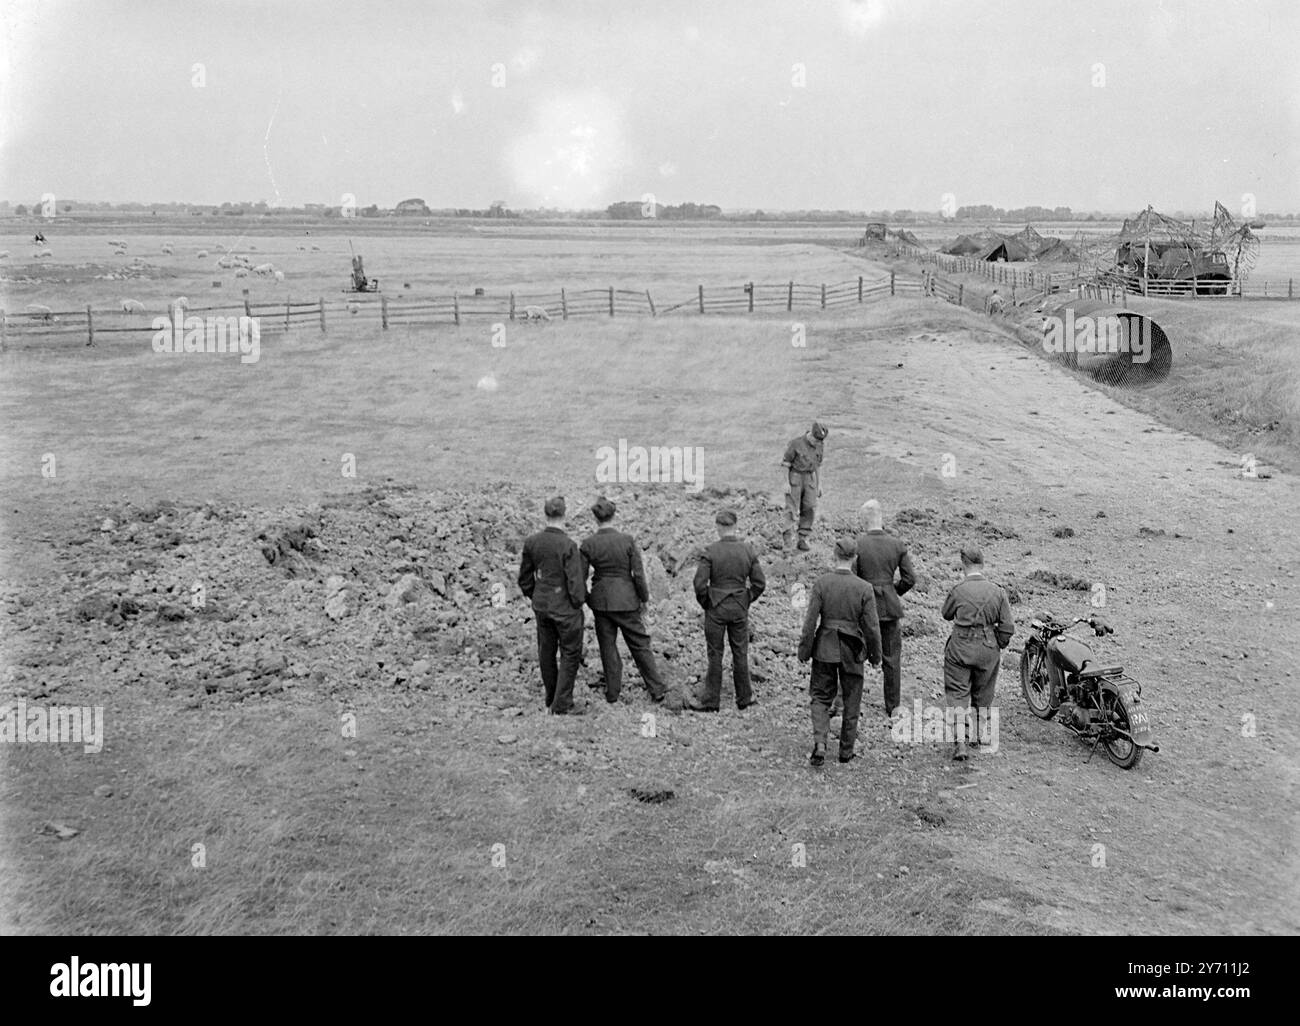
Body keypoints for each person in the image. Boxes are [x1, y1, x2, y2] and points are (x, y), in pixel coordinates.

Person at [797, 538, 882, 766]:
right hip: (852, 649)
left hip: (824, 647)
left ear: (834, 556)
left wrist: (805, 651)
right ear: (855, 559)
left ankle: (820, 743)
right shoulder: (864, 588)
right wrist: (875, 656)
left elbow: (810, 622)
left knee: (820, 696)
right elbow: (872, 627)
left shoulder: (822, 583)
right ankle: (846, 751)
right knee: (852, 698)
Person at [580, 497, 667, 704]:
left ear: (595, 518)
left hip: (601, 602)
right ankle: (656, 688)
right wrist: (644, 598)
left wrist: (589, 599)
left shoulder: (588, 543)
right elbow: (638, 573)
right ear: (613, 515)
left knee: (607, 646)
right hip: (627, 600)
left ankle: (612, 692)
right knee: (640, 644)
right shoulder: (627, 540)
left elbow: (579, 578)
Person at [941, 546, 1015, 760]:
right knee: (984, 691)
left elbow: (946, 614)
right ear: (982, 564)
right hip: (987, 647)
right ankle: (980, 733)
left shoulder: (958, 589)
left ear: (963, 565)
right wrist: (997, 643)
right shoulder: (998, 591)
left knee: (957, 692)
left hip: (960, 647)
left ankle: (961, 742)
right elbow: (1008, 626)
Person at [689, 509, 766, 712]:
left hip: (716, 608)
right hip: (739, 608)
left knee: (715, 654)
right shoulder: (747, 550)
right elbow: (759, 582)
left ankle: (711, 701)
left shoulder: (711, 551)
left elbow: (699, 584)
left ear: (718, 527)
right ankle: (744, 698)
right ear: (735, 526)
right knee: (740, 652)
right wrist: (747, 598)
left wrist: (707, 602)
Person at [517, 496, 587, 715]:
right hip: (565, 608)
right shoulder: (568, 545)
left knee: (546, 651)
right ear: (564, 515)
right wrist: (577, 603)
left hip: (542, 605)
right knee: (570, 653)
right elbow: (575, 582)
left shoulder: (532, 542)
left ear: (545, 514)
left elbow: (524, 578)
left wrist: (535, 595)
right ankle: (562, 704)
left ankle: (551, 697)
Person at [853, 499, 917, 718]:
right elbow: (910, 578)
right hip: (889, 607)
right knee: (892, 659)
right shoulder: (897, 544)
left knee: (855, 655)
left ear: (864, 519)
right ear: (881, 518)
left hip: (864, 608)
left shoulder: (858, 544)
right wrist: (892, 591)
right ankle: (893, 706)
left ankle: (849, 703)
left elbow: (852, 579)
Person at [781, 421, 828, 551]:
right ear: (811, 435)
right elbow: (786, 464)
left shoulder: (819, 445)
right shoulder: (795, 444)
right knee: (791, 509)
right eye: (816, 441)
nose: (817, 444)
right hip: (795, 477)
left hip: (810, 478)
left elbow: (818, 465)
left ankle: (803, 538)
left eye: (820, 442)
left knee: (810, 507)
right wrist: (786, 483)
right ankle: (788, 541)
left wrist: (819, 484)